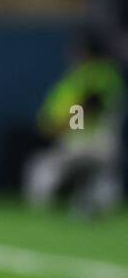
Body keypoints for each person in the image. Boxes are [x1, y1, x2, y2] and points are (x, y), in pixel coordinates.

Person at [24, 31, 125, 216]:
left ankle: (53, 206)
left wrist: (66, 124)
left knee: (48, 169)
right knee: (45, 167)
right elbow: (49, 122)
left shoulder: (100, 74)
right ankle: (76, 202)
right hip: (86, 144)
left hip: (93, 142)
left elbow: (92, 104)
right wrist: (58, 125)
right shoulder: (70, 83)